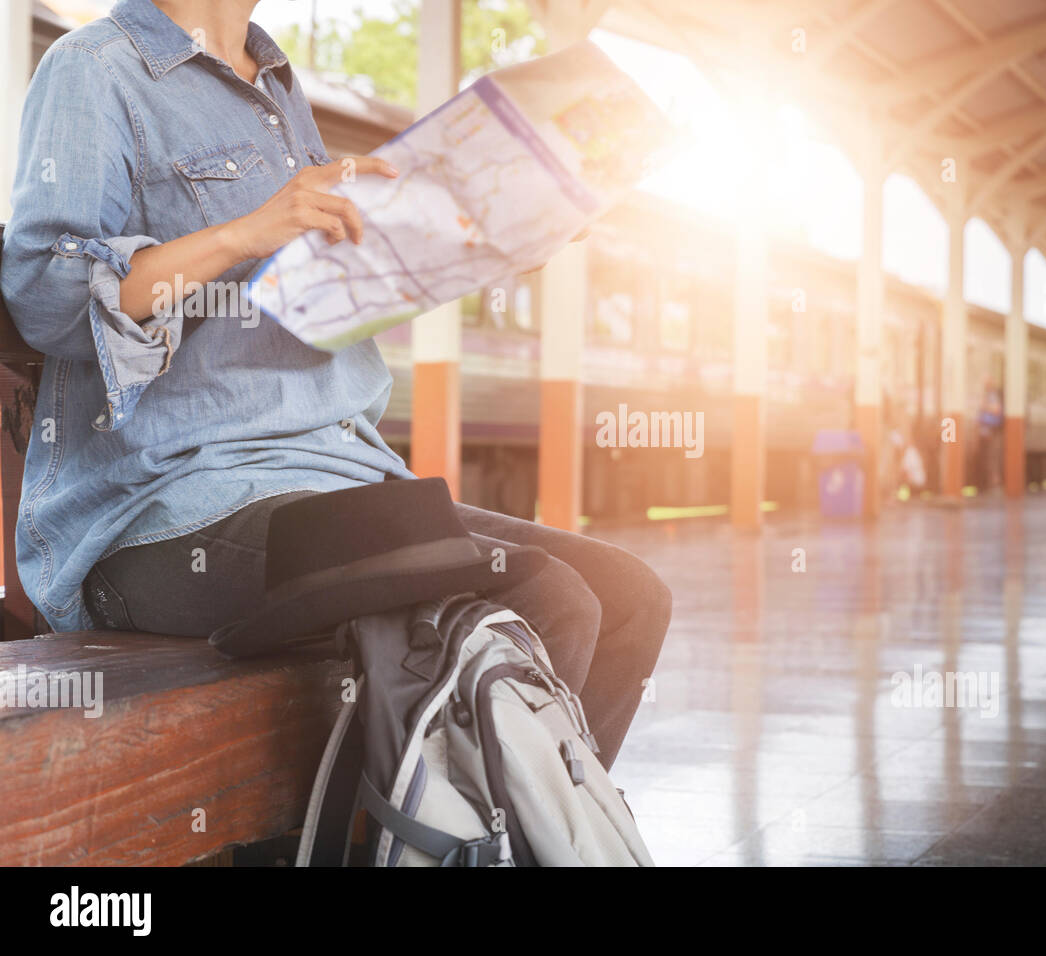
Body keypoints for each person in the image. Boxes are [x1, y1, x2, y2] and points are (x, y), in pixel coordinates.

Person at [0, 0, 670, 766]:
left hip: (335, 475)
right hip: (172, 509)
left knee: (626, 595)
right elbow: (47, 300)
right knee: (544, 597)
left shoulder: (276, 84)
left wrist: (495, 234)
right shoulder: (94, 69)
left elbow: (320, 288)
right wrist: (243, 232)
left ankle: (518, 835)